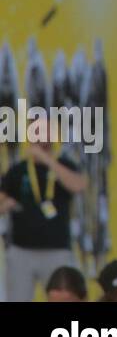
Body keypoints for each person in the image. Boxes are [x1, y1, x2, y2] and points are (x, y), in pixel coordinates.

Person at [0, 128, 87, 301]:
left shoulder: (64, 164)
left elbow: (79, 185)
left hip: (56, 249)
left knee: (63, 295)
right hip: (22, 251)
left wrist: (48, 160)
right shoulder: (18, 170)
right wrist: (6, 205)